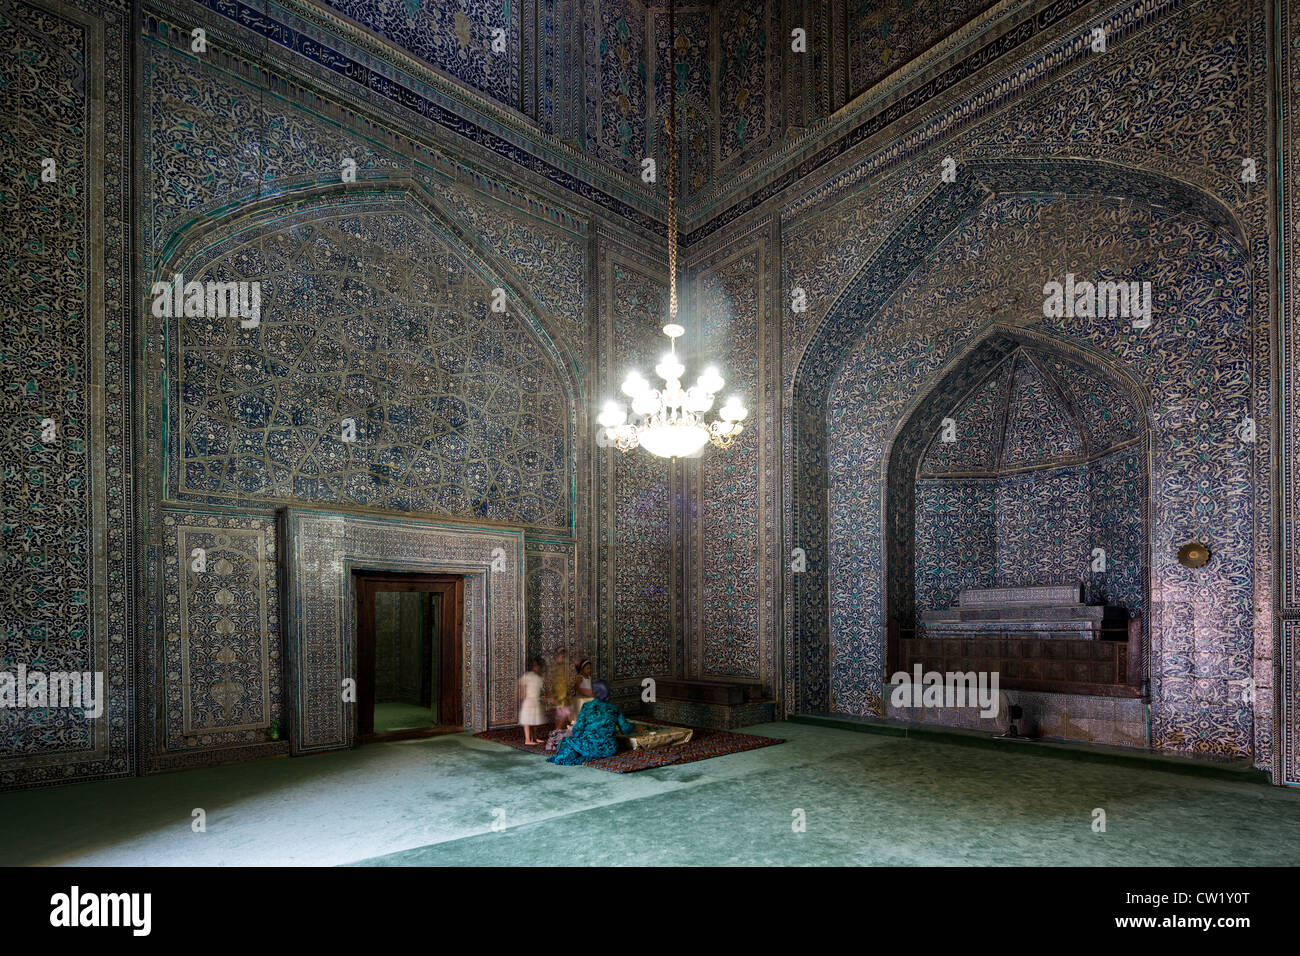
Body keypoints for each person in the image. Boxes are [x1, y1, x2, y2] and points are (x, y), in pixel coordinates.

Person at [547, 679, 634, 766]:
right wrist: (632, 726)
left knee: (565, 741)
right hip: (609, 749)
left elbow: (577, 730)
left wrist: (575, 730)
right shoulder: (614, 708)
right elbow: (626, 729)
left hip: (590, 747)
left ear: (594, 692)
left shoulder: (587, 706)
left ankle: (581, 753)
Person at [517, 657, 546, 746]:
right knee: (528, 721)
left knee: (535, 721)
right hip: (528, 700)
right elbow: (522, 687)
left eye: (538, 666)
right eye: (535, 666)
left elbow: (541, 690)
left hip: (536, 701)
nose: (536, 668)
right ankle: (527, 739)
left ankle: (535, 737)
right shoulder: (527, 676)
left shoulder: (539, 678)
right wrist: (523, 697)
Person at [546, 649, 574, 731]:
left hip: (564, 696)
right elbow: (549, 684)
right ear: (556, 657)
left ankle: (559, 733)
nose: (564, 659)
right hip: (559, 697)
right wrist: (551, 697)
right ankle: (557, 733)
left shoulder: (565, 668)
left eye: (564, 657)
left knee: (566, 716)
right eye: (562, 656)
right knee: (561, 718)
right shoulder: (553, 669)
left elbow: (567, 683)